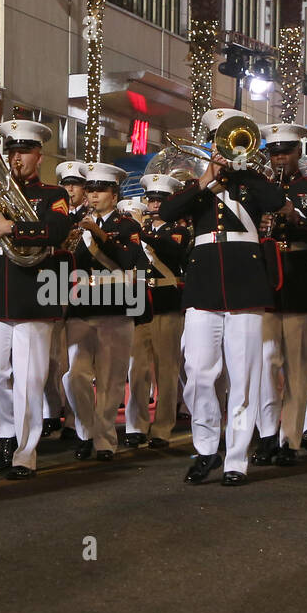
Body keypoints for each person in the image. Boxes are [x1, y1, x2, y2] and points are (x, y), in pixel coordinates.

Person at [159, 107, 285, 486]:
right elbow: (167, 210)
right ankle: (206, 448)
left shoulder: (252, 181)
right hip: (204, 283)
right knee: (198, 372)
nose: (225, 146)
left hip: (245, 281)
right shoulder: (198, 184)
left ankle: (235, 459)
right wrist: (206, 178)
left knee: (243, 376)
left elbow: (276, 200)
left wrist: (243, 166)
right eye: (220, 139)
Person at [0, 119, 71, 479]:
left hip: (33, 290)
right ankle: (5, 434)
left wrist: (13, 227)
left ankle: (24, 452)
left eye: (24, 151)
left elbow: (59, 230)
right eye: (12, 151)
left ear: (39, 156)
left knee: (30, 378)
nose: (16, 158)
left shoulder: (51, 194)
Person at [252, 123, 307, 466]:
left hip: (301, 280)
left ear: (299, 151)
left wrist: (295, 217)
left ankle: (291, 438)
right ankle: (267, 433)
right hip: (267, 281)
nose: (280, 158)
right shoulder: (258, 189)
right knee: (266, 365)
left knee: (299, 366)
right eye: (274, 152)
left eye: (285, 151)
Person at [62, 163, 145, 461]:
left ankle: (105, 439)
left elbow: (129, 258)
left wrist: (97, 232)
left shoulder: (127, 225)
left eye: (101, 190)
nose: (94, 196)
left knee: (111, 379)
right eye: (91, 190)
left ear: (114, 193)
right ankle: (86, 429)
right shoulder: (76, 224)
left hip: (116, 304)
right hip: (82, 305)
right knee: (75, 377)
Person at [124, 173, 190, 449]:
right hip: (141, 303)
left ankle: (162, 427)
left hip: (166, 303)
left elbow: (172, 250)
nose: (153, 205)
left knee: (166, 369)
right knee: (136, 370)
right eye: (150, 199)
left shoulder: (178, 231)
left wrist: (144, 234)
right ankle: (135, 424)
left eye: (159, 200)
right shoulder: (138, 233)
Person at [42, 159, 89, 437]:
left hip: (81, 292)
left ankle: (73, 418)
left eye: (76, 185)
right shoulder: (54, 212)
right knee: (49, 356)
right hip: (53, 286)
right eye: (66, 185)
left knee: (72, 359)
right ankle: (51, 410)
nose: (70, 190)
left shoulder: (90, 217)